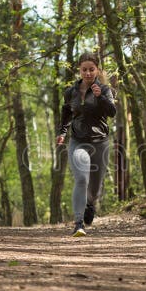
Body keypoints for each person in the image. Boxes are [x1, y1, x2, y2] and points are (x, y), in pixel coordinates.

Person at [56, 53, 117, 237]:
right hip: (78, 141)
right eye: (84, 70)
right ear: (79, 70)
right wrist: (62, 132)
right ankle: (78, 223)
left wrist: (101, 98)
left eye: (91, 69)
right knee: (81, 178)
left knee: (95, 187)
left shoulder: (105, 89)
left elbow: (112, 112)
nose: (88, 73)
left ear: (97, 70)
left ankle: (91, 204)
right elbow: (66, 113)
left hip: (100, 142)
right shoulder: (70, 92)